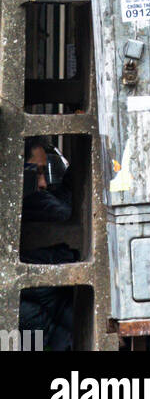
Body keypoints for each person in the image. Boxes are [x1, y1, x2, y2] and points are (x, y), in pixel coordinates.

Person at [19, 139, 76, 351]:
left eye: (45, 173)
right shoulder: (36, 202)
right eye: (37, 172)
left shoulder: (42, 198)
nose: (42, 183)